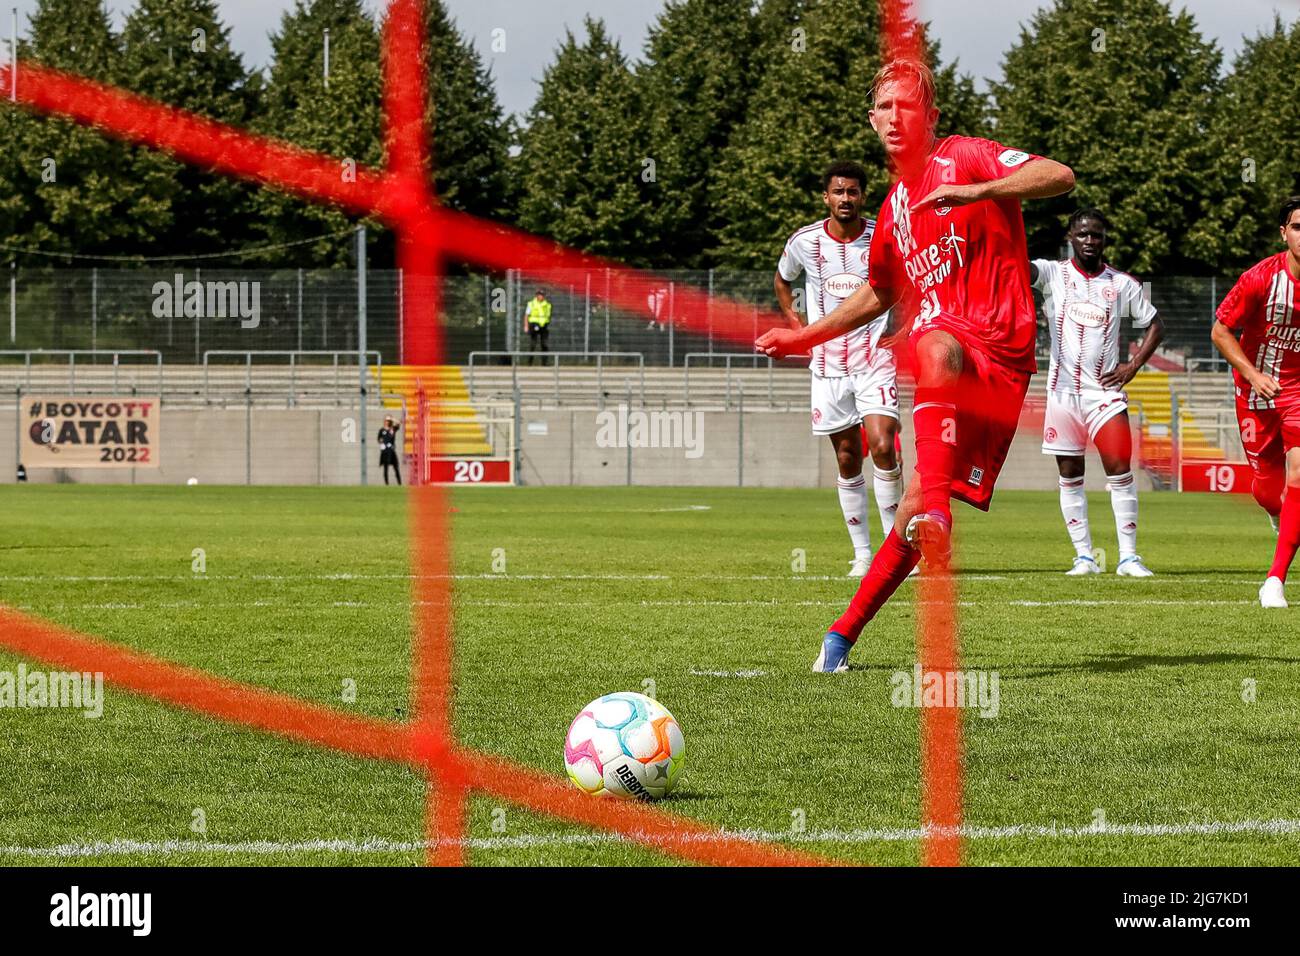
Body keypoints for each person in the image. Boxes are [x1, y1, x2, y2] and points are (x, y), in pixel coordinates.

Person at [756, 58, 1075, 672]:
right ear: (873, 120)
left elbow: (1058, 175)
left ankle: (931, 513)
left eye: (909, 105)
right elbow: (876, 293)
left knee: (936, 353)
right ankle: (840, 637)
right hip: (949, 354)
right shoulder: (894, 211)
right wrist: (805, 338)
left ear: (929, 115)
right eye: (885, 107)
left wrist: (980, 190)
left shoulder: (967, 155)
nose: (896, 117)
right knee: (931, 352)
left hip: (1005, 356)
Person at [775, 159, 905, 577]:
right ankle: (863, 555)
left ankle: (895, 551)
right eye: (838, 191)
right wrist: (799, 329)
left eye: (853, 192)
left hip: (875, 359)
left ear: (863, 196)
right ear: (826, 196)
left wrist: (903, 330)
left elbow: (912, 282)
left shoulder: (884, 237)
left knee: (883, 446)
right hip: (828, 366)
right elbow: (783, 279)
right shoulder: (804, 241)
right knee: (848, 457)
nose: (845, 199)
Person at [1031, 209, 1164, 577]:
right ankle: (1084, 557)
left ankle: (1129, 558)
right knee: (1070, 474)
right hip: (1061, 394)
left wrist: (1132, 366)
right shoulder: (1052, 273)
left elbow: (1155, 324)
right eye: (1083, 234)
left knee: (1120, 470)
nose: (1090, 241)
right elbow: (1019, 268)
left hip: (1104, 394)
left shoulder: (1122, 284)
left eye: (1097, 235)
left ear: (1105, 240)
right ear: (1070, 236)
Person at [1211, 195, 1300, 609]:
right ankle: (1278, 514)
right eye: (1298, 227)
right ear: (1284, 233)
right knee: (1268, 491)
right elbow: (1221, 332)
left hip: (1298, 393)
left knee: (1299, 470)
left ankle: (1274, 580)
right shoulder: (1260, 278)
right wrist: (1253, 375)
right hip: (1256, 391)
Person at [525, 290, 552, 362]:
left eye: (542, 295)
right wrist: (526, 326)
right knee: (533, 344)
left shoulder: (547, 305)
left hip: (544, 325)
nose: (541, 296)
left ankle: (544, 363)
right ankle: (529, 362)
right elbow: (526, 315)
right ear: (536, 296)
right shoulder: (531, 304)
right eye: (539, 295)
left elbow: (548, 316)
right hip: (534, 324)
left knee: (544, 344)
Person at [378, 415, 402, 486]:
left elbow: (399, 423)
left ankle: (399, 483)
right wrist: (381, 441)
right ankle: (387, 484)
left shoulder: (393, 429)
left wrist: (393, 419)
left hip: (391, 451)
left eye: (388, 421)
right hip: (385, 451)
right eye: (386, 420)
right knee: (386, 468)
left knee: (396, 466)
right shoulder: (382, 430)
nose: (387, 422)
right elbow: (379, 439)